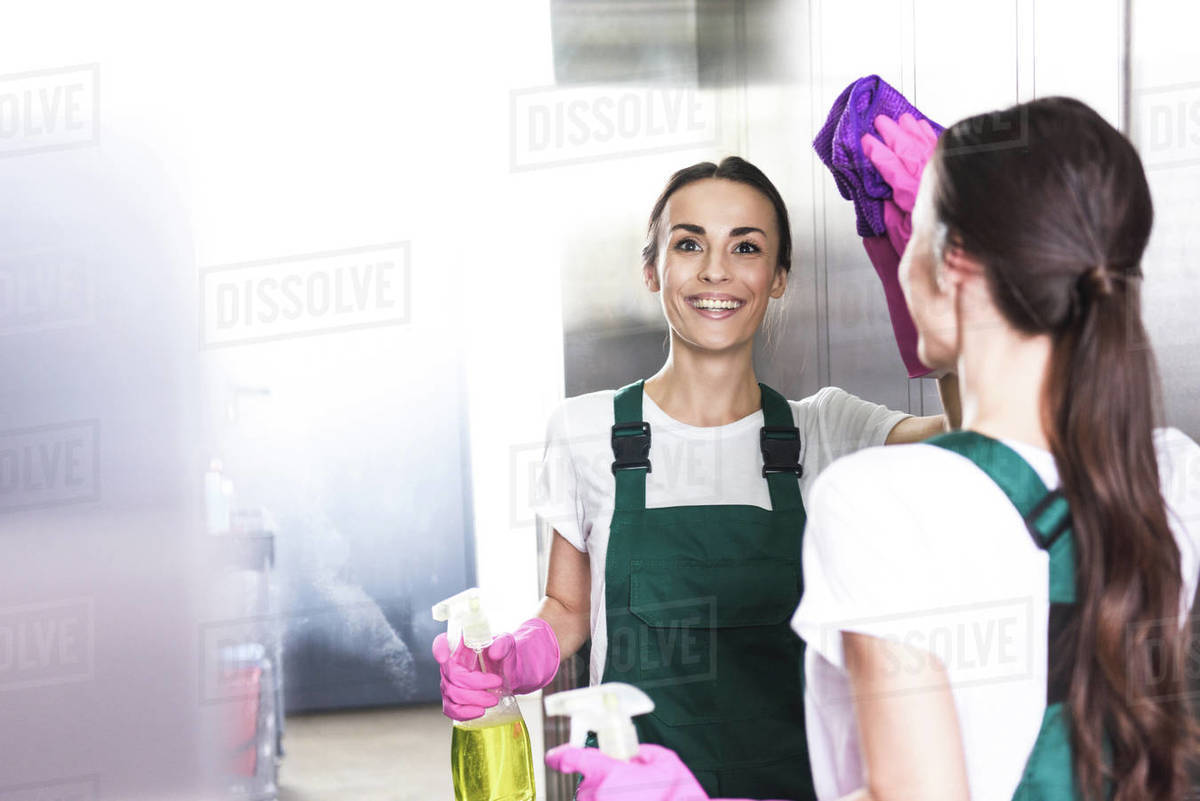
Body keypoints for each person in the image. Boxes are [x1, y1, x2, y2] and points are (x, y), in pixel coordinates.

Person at [434, 155, 959, 800]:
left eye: (747, 247)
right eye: (689, 244)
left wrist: (933, 288)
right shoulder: (584, 431)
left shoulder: (826, 430)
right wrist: (510, 658)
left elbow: (975, 437)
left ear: (778, 278)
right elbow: (570, 608)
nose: (716, 270)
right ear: (652, 269)